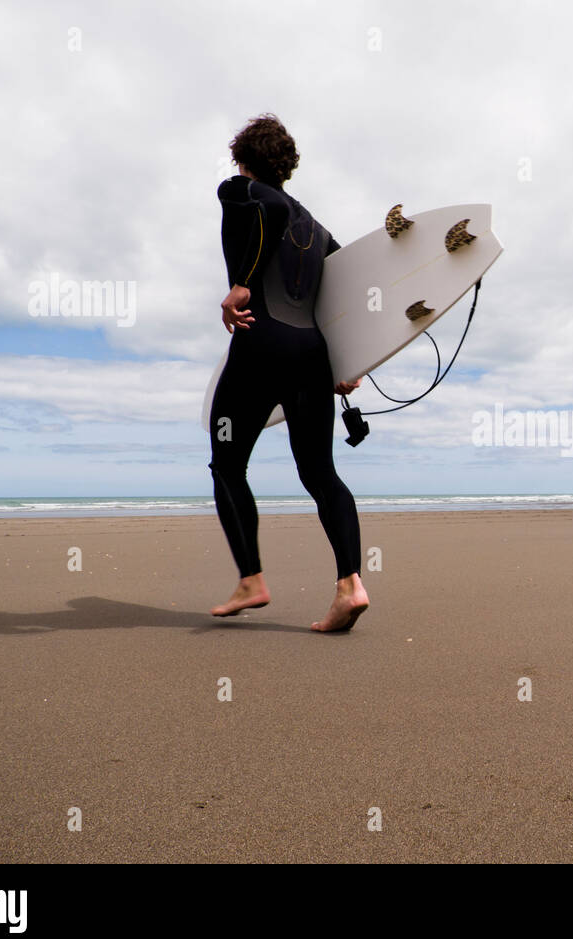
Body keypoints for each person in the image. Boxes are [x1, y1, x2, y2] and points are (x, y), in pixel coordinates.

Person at [207, 114, 368, 632]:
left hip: (261, 348)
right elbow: (341, 292)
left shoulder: (243, 190)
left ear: (243, 159)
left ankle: (251, 579)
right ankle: (350, 585)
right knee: (320, 474)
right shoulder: (318, 229)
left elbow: (267, 209)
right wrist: (345, 364)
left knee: (227, 465)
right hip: (311, 357)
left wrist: (243, 285)